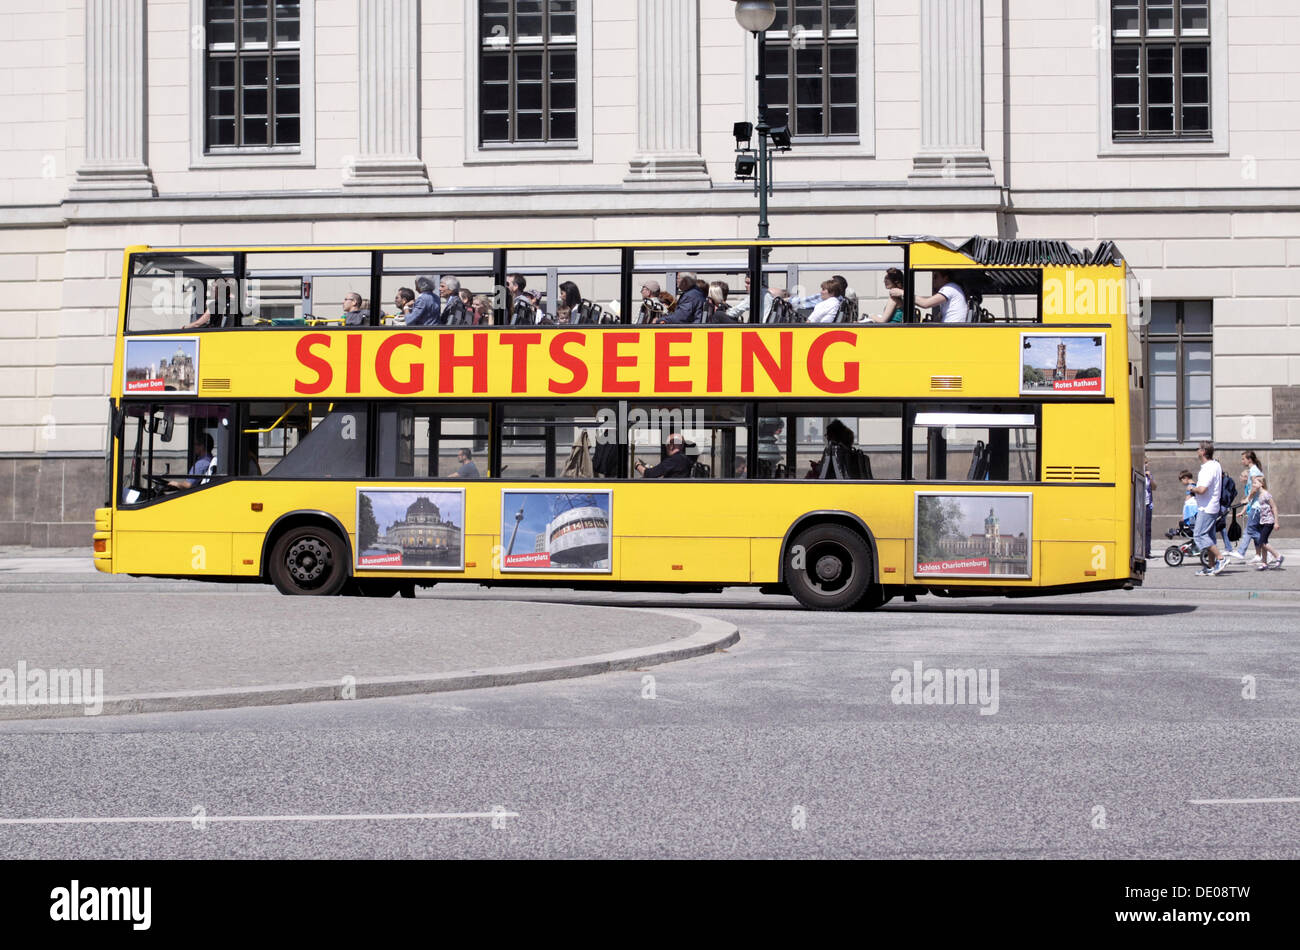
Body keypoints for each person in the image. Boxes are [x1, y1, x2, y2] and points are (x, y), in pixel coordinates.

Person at [1189, 440, 1226, 576]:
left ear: (1203, 451)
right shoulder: (1216, 465)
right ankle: (1211, 566)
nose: (1197, 451)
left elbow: (1203, 489)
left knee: (1199, 535)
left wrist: (1192, 488)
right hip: (1211, 506)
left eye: (1198, 448)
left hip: (1207, 507)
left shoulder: (1208, 468)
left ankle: (1221, 559)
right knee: (1209, 537)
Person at [1227, 450, 1265, 561]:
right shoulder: (1254, 470)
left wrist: (1247, 499)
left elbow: (1255, 487)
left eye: (1243, 458)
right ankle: (1259, 555)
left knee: (1250, 531)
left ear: (1249, 459)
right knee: (1253, 531)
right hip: (1255, 505)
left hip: (1256, 506)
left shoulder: (1254, 471)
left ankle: (1242, 552)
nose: (1242, 461)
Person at [1251, 475, 1284, 570]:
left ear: (1261, 484)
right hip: (1262, 521)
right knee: (1263, 542)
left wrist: (1276, 522)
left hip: (1269, 521)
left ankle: (1278, 556)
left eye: (1255, 483)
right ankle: (1264, 563)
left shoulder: (1266, 494)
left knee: (1262, 542)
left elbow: (1274, 507)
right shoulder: (1259, 495)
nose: (1253, 484)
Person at [1143, 460, 1154, 558]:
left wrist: (1150, 478)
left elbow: (1154, 487)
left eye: (1147, 463)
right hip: (1138, 504)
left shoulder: (1148, 476)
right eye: (1145, 462)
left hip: (1147, 503)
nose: (1147, 465)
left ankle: (1147, 551)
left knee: (1147, 528)